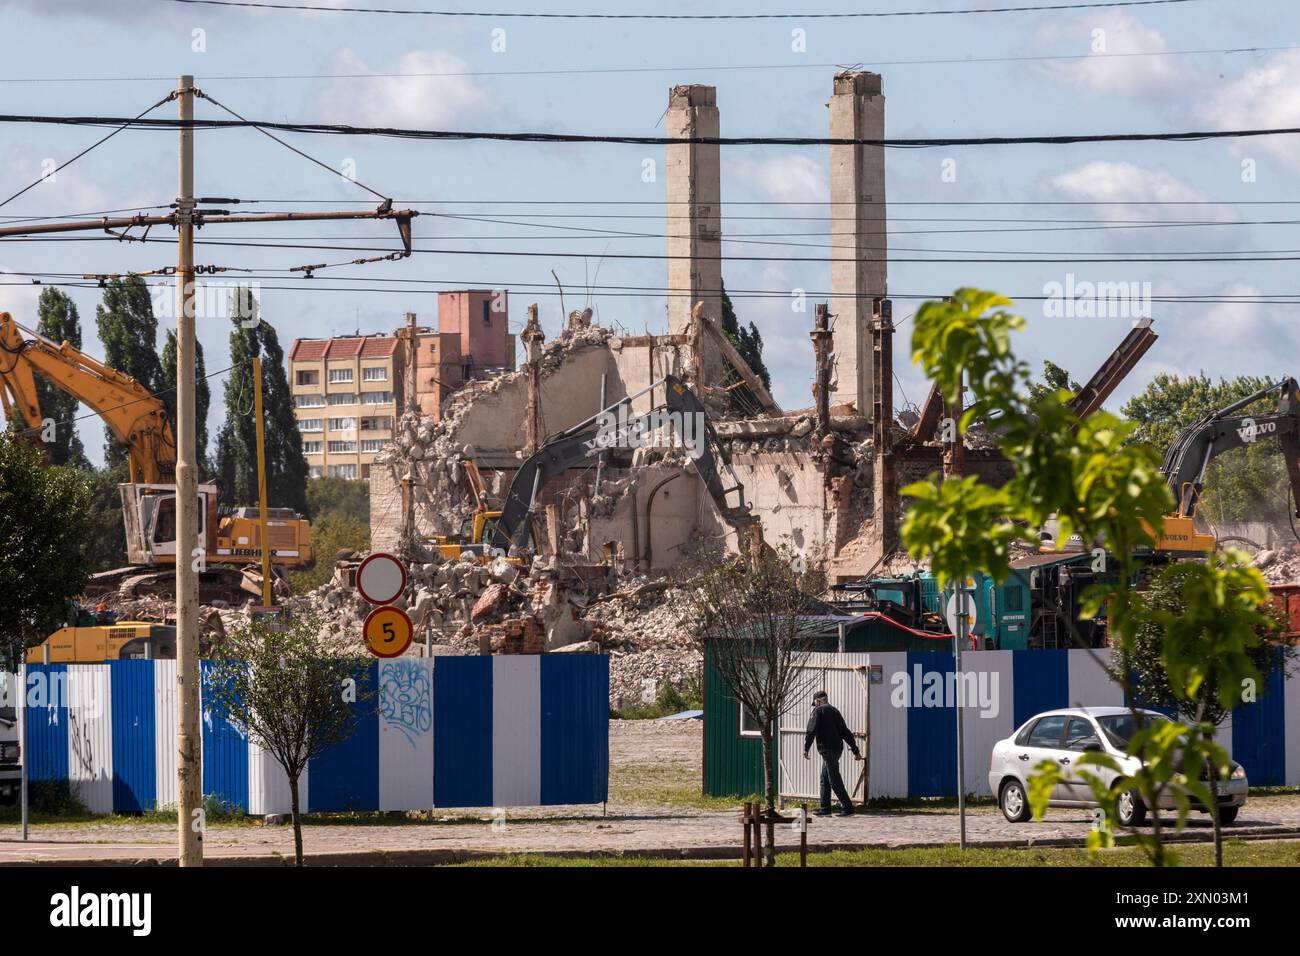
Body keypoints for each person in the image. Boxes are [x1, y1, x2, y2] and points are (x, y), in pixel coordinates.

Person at [803, 690, 861, 817]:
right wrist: (855, 751)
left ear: (817, 701)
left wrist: (806, 748)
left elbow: (811, 731)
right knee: (824, 778)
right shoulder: (835, 711)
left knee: (834, 779)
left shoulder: (818, 711)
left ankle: (848, 807)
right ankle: (825, 808)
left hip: (827, 750)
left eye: (816, 703)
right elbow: (845, 732)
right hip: (836, 749)